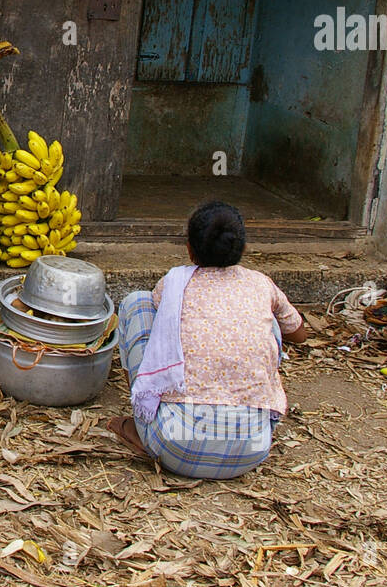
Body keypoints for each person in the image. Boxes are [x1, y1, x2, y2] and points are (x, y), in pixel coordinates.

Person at [106, 201, 307, 479]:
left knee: (137, 304)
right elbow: (299, 333)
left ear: (189, 249)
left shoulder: (174, 281)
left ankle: (142, 424)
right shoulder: (262, 284)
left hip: (173, 445)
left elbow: (158, 312)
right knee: (271, 321)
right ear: (243, 249)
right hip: (251, 450)